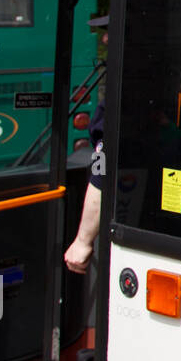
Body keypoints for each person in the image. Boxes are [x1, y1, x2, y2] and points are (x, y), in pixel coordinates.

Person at [65, 15, 107, 274]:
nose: (104, 39)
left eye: (111, 32)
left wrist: (82, 241)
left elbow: (104, 167)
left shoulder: (124, 92)